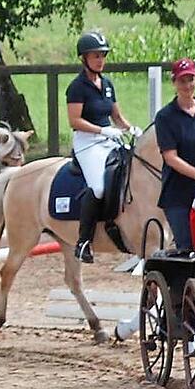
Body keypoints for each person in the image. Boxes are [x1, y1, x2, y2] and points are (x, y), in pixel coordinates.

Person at [67, 31, 142, 263]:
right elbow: (74, 121)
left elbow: (116, 116)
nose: (100, 60)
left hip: (108, 139)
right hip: (86, 142)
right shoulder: (77, 87)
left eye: (102, 55)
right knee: (98, 187)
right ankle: (83, 241)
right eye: (95, 56)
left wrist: (131, 129)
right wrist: (102, 130)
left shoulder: (107, 84)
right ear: (84, 58)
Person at [154, 58, 195, 250]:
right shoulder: (165, 117)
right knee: (187, 247)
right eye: (182, 80)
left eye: (191, 79)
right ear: (174, 82)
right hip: (179, 194)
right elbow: (171, 158)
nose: (187, 85)